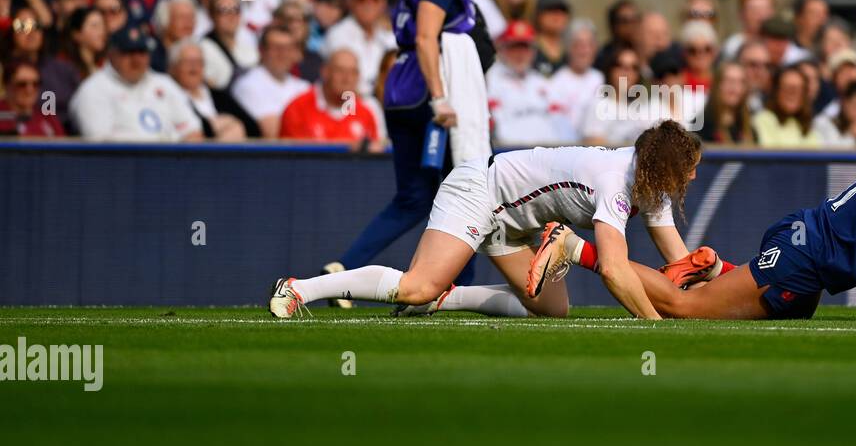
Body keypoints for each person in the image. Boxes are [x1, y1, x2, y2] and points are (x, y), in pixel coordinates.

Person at [529, 87, 856, 323]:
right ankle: (573, 248)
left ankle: (716, 271)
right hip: (804, 257)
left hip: (806, 253)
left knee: (795, 312)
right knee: (683, 310)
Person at [270, 121, 702, 321]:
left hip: (513, 217)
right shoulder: (615, 182)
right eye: (690, 168)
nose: (694, 176)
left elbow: (679, 264)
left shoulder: (651, 184)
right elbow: (613, 268)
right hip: (480, 190)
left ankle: (442, 300)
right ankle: (301, 289)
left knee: (554, 309)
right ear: (664, 168)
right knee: (415, 284)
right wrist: (655, 326)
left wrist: (706, 291)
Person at [327, 0, 494, 299]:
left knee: (414, 198)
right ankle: (458, 287)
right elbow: (425, 38)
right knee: (466, 191)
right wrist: (440, 97)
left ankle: (343, 270)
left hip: (402, 93)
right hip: (429, 98)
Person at [69, 24, 202, 141]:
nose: (137, 59)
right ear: (112, 54)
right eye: (129, 52)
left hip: (171, 165)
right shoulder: (94, 90)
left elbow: (193, 131)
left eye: (142, 52)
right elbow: (101, 146)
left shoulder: (164, 84)